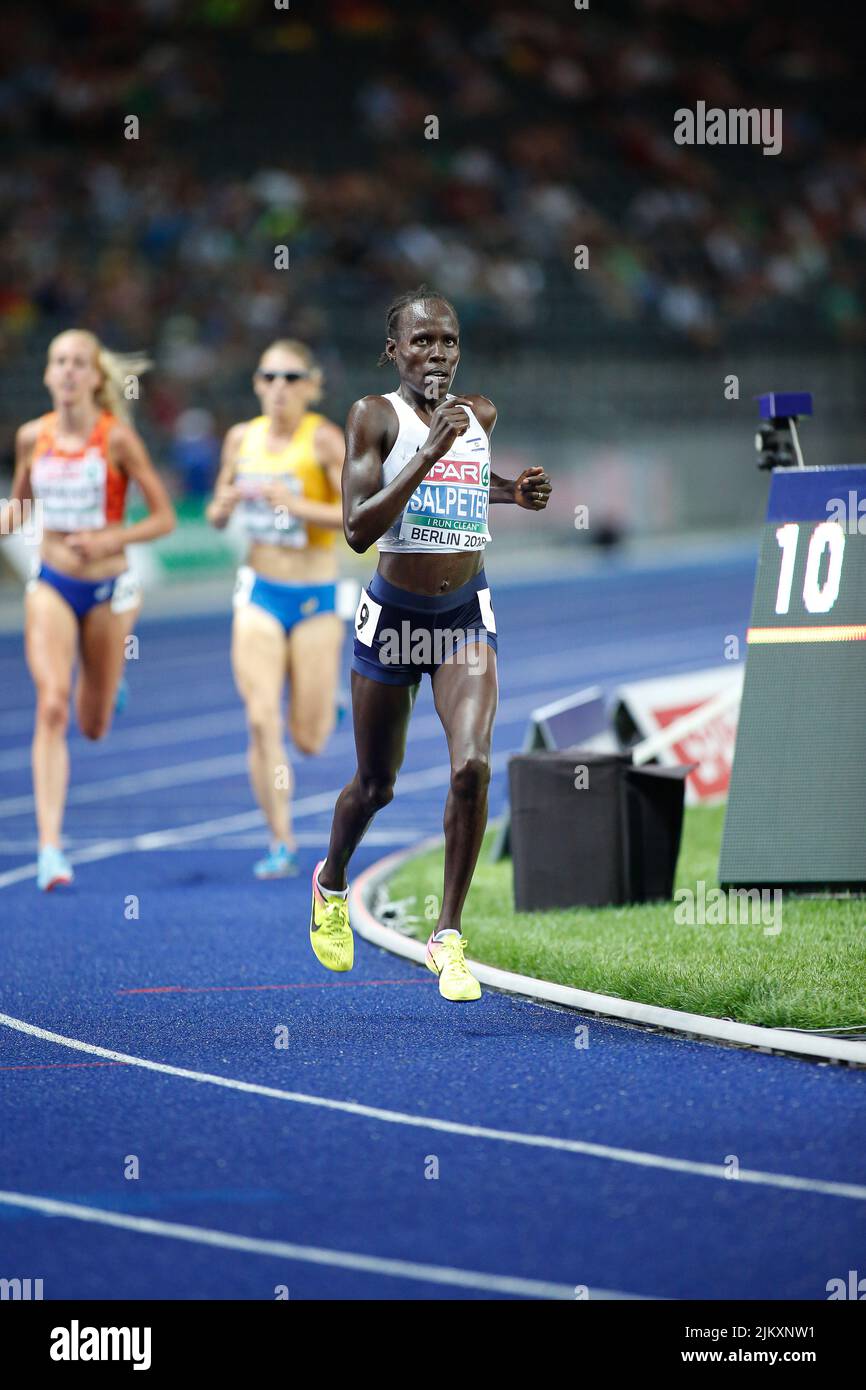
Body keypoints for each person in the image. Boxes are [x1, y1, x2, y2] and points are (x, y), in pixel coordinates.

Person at [309, 288, 551, 1000]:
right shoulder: (372, 417)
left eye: (447, 341)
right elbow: (357, 529)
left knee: (472, 766)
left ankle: (446, 936)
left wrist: (516, 492)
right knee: (375, 786)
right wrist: (428, 451)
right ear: (394, 350)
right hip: (392, 620)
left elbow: (470, 482)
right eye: (421, 342)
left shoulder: (478, 414)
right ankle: (331, 883)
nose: (436, 353)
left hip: (462, 618)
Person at [1, 329, 176, 890]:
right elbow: (22, 505)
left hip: (104, 586)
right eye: (60, 362)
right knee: (51, 705)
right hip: (52, 582)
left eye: (80, 362)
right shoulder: (33, 436)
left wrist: (108, 542)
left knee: (92, 725)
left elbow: (163, 519)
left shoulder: (118, 440)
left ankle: (114, 667)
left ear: (97, 378)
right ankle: (52, 849)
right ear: (49, 375)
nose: (70, 371)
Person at [206, 340, 346, 878]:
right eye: (270, 376)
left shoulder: (325, 439)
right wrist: (221, 507)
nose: (280, 388)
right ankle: (281, 840)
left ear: (311, 385)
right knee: (261, 718)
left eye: (292, 377)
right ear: (258, 384)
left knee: (308, 739)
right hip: (259, 591)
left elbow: (354, 515)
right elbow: (219, 509)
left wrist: (299, 506)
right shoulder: (242, 439)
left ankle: (324, 702)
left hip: (314, 598)